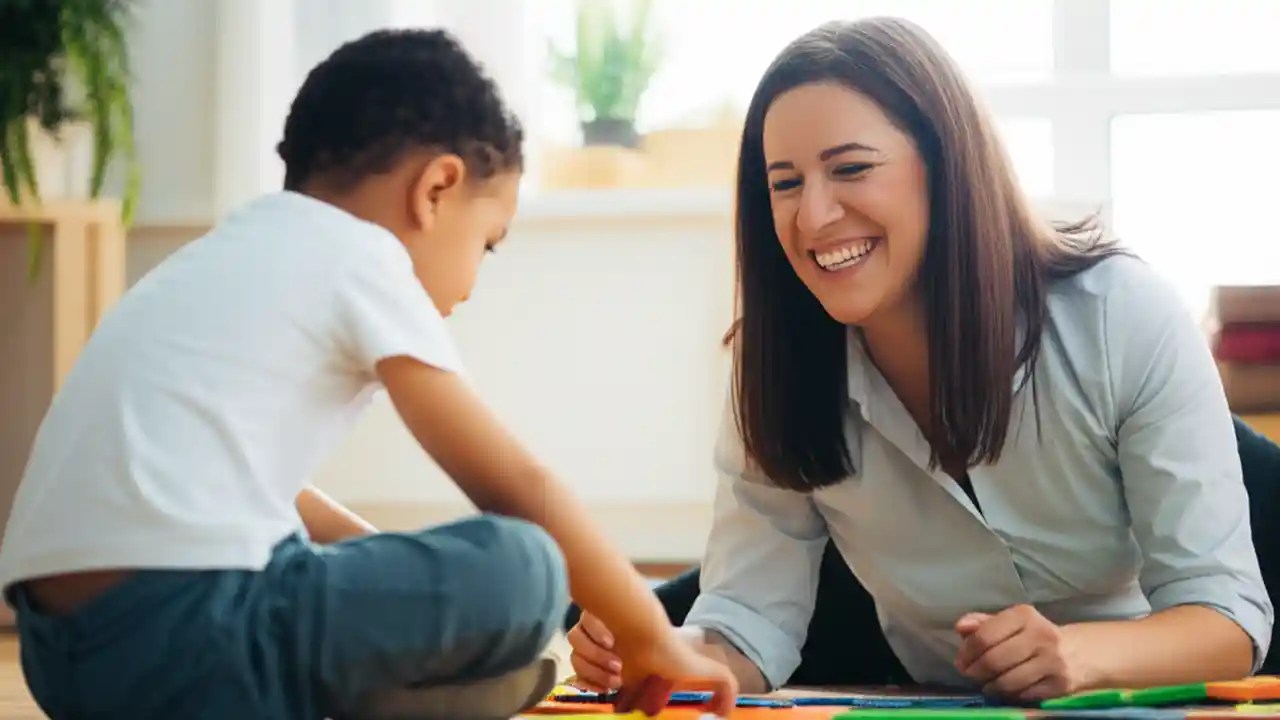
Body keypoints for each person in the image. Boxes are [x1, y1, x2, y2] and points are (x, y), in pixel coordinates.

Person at [0, 29, 735, 720]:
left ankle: (388, 684)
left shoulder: (223, 255)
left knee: (308, 558)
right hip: (193, 630)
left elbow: (272, 499)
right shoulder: (362, 257)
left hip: (61, 659)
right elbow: (516, 486)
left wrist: (382, 564)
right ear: (436, 190)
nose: (473, 283)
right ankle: (393, 687)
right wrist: (653, 635)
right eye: (488, 243)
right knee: (527, 566)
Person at [567, 17, 1273, 703]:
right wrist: (665, 656)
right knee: (636, 616)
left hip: (1149, 655)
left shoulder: (1121, 311)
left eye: (851, 168)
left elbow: (1227, 616)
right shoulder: (775, 363)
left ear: (945, 165)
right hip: (915, 657)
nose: (813, 217)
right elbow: (748, 625)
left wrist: (1079, 654)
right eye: (785, 183)